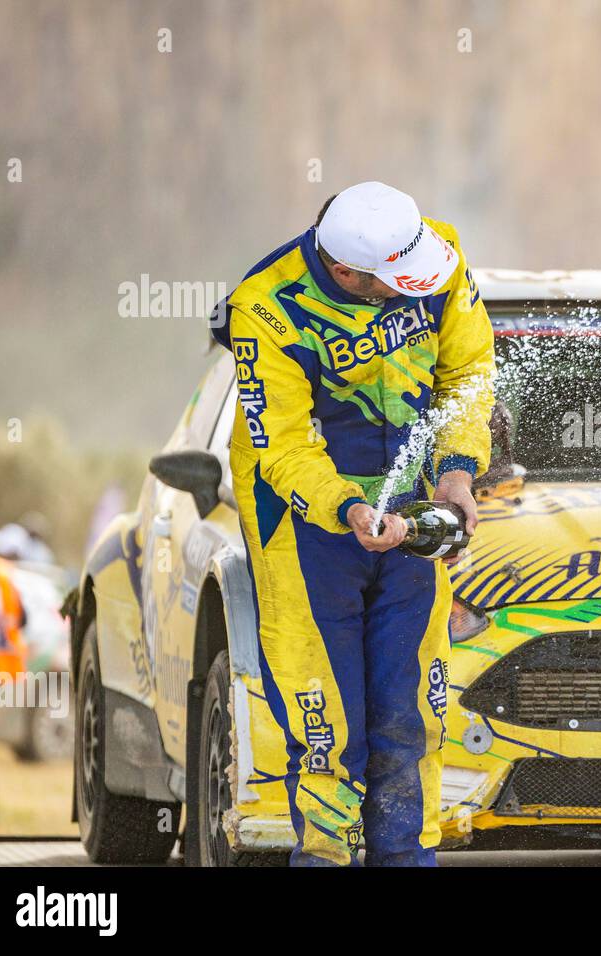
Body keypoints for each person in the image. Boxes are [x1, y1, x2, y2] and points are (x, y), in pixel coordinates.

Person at [212, 181, 496, 866]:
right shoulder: (266, 307)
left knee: (411, 716)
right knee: (328, 734)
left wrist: (458, 470)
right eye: (396, 284)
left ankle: (407, 859)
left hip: (408, 519)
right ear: (346, 272)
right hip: (302, 526)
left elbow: (467, 371)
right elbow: (282, 446)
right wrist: (347, 508)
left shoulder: (437, 252)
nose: (413, 289)